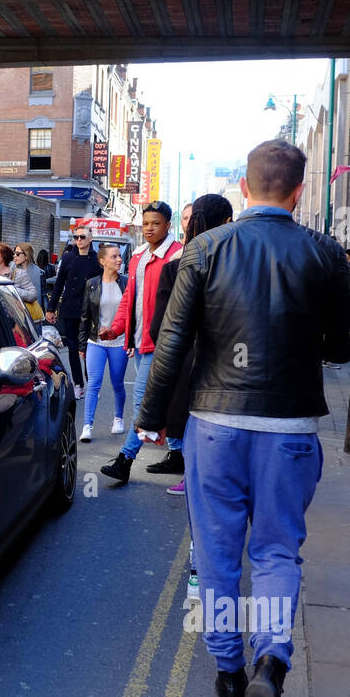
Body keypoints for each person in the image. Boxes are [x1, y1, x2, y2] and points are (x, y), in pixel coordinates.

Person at [135, 140, 350, 697]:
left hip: (215, 424)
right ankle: (272, 665)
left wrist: (152, 419)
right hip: (288, 429)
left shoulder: (204, 249)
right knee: (278, 553)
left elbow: (171, 341)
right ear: (299, 192)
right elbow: (342, 348)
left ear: (244, 187)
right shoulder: (326, 253)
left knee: (216, 554)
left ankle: (230, 674)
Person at [147, 194, 235, 495]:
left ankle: (195, 479)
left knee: (196, 428)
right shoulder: (238, 268)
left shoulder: (175, 268)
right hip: (234, 371)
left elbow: (160, 329)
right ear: (227, 223)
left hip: (191, 367)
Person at [98, 201, 182, 483]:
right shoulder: (137, 256)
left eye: (155, 223)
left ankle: (125, 460)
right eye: (146, 223)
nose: (149, 228)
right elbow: (129, 299)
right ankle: (178, 454)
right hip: (139, 341)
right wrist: (115, 329)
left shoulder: (177, 255)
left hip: (164, 343)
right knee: (161, 403)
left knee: (142, 403)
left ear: (168, 225)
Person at [77, 243, 128, 442]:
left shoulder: (126, 283)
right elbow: (84, 317)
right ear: (102, 261)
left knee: (117, 383)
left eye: (119, 256)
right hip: (95, 341)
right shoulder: (91, 284)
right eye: (114, 256)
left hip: (119, 342)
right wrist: (82, 346)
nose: (119, 260)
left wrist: (131, 341)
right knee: (94, 384)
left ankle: (118, 418)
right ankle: (87, 426)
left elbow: (131, 315)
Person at [46, 224, 101, 396]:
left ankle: (91, 383)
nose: (78, 240)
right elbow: (59, 283)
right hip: (70, 307)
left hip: (90, 310)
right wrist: (51, 308)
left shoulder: (96, 259)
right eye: (76, 237)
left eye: (82, 237)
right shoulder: (68, 257)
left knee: (89, 347)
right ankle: (78, 383)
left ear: (90, 238)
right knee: (72, 348)